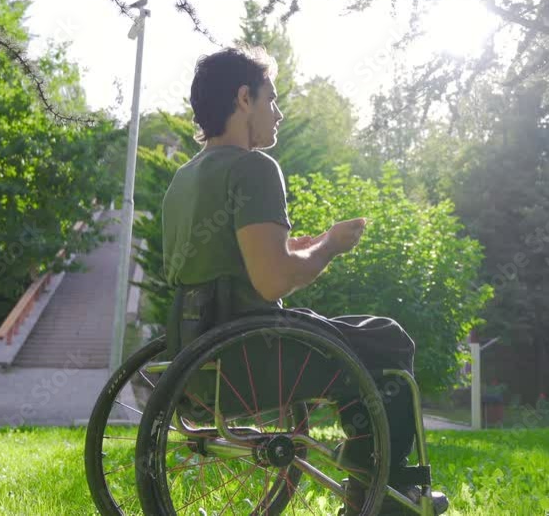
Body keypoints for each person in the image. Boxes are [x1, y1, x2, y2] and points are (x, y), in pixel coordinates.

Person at [160, 46, 449, 515]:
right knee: (388, 341)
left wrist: (293, 247)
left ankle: (368, 480)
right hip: (252, 358)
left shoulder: (184, 179)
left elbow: (221, 264)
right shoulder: (254, 168)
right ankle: (381, 489)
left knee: (358, 338)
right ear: (244, 99)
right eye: (272, 98)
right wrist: (330, 245)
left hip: (196, 360)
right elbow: (273, 282)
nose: (278, 112)